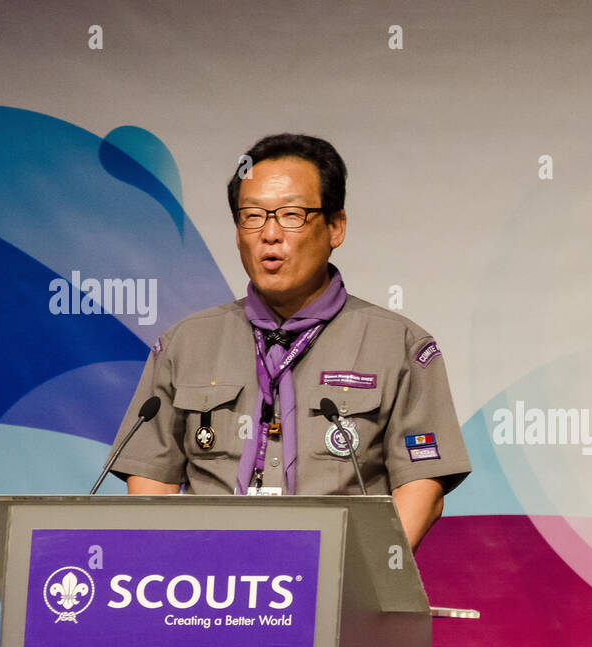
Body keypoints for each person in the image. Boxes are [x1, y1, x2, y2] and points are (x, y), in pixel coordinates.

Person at [104, 133, 470, 549]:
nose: (270, 234)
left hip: (339, 589)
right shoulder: (187, 343)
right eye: (252, 216)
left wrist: (367, 581)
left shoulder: (398, 345)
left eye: (291, 215)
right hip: (209, 592)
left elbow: (421, 486)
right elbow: (153, 476)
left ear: (336, 227)